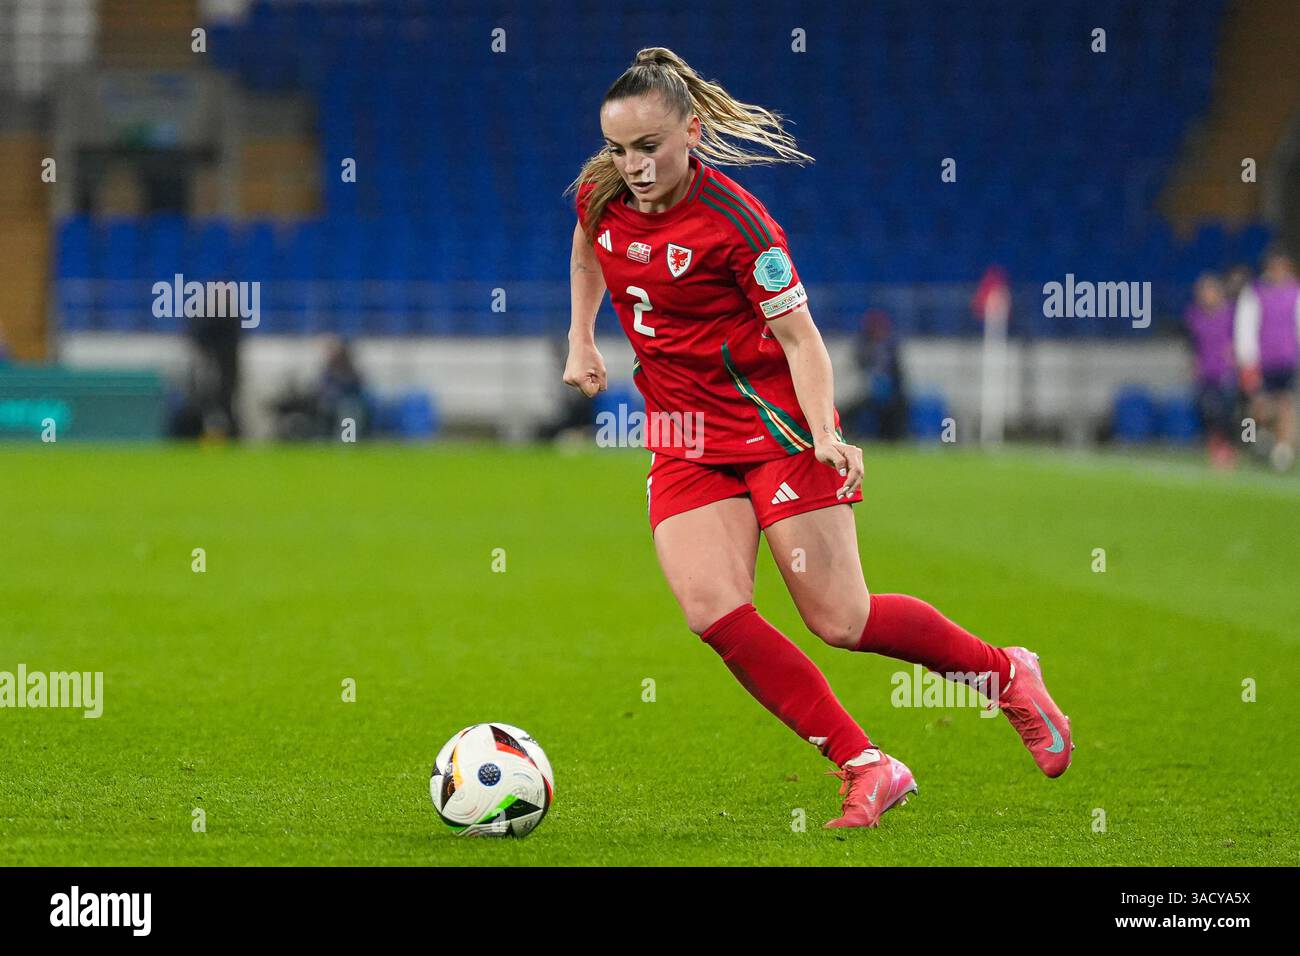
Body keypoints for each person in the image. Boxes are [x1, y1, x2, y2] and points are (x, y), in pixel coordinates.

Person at [562, 48, 1073, 829]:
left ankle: (1006, 674)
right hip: (681, 435)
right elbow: (590, 246)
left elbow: (802, 340)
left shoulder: (741, 225)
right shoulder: (602, 194)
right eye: (618, 148)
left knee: (842, 620)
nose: (631, 165)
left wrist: (826, 432)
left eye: (648, 147)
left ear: (691, 132)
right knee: (712, 611)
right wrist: (582, 338)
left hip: (775, 430)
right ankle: (868, 764)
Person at [1234, 247, 1300, 471]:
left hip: (1287, 358)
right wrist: (1246, 359)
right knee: (1257, 406)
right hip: (1260, 360)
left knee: (1285, 404)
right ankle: (1251, 440)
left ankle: (1283, 450)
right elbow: (1245, 327)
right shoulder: (1254, 293)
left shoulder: (1295, 292)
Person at [1184, 273, 1239, 470]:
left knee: (1227, 412)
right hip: (1205, 371)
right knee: (1207, 412)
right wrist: (1194, 364)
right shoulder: (1194, 316)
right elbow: (1192, 344)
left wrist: (1235, 356)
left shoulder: (1231, 314)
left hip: (1225, 371)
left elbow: (1239, 338)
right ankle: (1214, 448)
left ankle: (1234, 447)